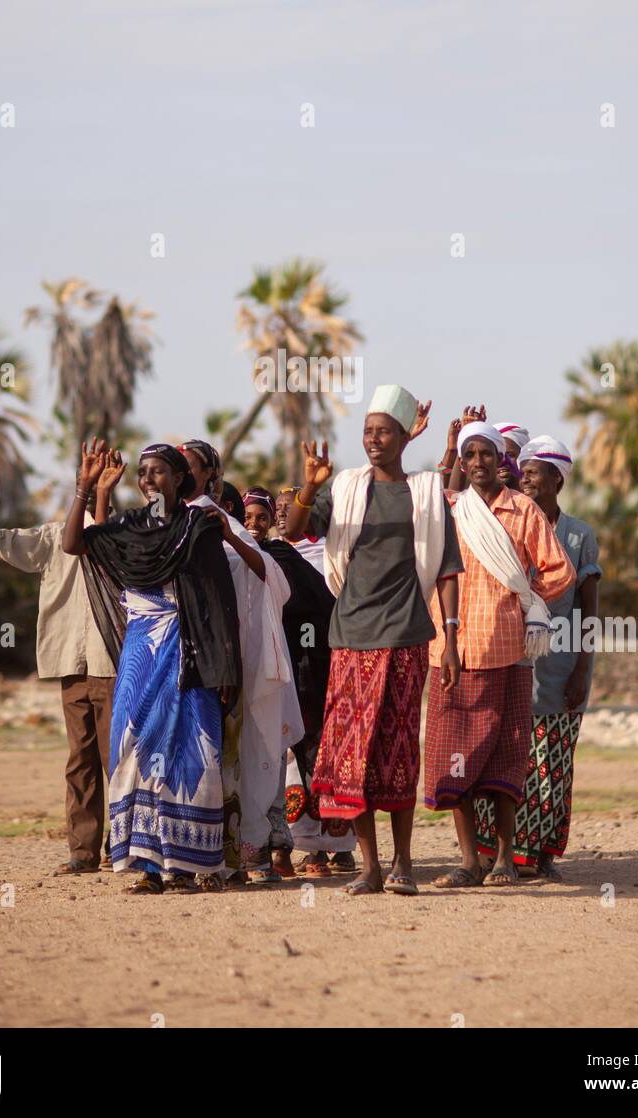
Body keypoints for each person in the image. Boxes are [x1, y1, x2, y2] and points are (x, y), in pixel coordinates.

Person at [284, 384, 462, 897]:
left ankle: (404, 863)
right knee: (351, 756)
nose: (373, 440)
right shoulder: (345, 488)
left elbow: (448, 571)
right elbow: (294, 531)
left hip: (407, 637)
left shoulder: (426, 494)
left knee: (399, 751)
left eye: (384, 432)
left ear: (405, 437)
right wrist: (307, 485)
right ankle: (370, 867)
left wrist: (449, 639)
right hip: (351, 637)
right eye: (367, 431)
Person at [61, 439, 242, 895]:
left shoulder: (197, 527)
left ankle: (182, 867)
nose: (147, 479)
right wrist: (84, 487)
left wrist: (225, 669)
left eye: (158, 471)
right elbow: (72, 544)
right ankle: (145, 864)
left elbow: (218, 602)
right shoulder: (128, 527)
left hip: (189, 655)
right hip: (140, 655)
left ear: (180, 479)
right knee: (132, 747)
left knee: (189, 751)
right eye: (143, 472)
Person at [0, 471, 117, 878]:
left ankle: (126, 845)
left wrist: (99, 491)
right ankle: (83, 851)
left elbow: (99, 533)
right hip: (70, 664)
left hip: (112, 664)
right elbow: (2, 540)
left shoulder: (118, 538)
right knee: (80, 761)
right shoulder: (51, 539)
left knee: (115, 758)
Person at [424, 420, 574, 888]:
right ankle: (469, 861)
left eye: (486, 454)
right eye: (469, 456)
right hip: (449, 652)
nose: (478, 463)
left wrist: (526, 600)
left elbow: (559, 571)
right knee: (455, 756)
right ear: (463, 464)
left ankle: (505, 858)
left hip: (508, 652)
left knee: (507, 755)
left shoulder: (524, 510)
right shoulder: (450, 510)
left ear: (498, 459)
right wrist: (445, 449)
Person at [475, 436, 601, 879]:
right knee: (511, 758)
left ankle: (542, 853)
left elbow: (588, 608)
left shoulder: (579, 535)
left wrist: (582, 668)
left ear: (557, 479)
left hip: (561, 662)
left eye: (534, 470)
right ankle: (497, 852)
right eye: (522, 467)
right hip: (512, 657)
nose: (524, 474)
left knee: (554, 763)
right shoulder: (510, 524)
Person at [181, 441, 303, 885]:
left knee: (234, 760)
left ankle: (236, 858)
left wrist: (232, 536)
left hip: (225, 665)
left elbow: (272, 582)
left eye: (188, 467)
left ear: (210, 475)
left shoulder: (222, 526)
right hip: (175, 662)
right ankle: (182, 858)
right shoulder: (166, 524)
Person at [243, 486, 356, 879]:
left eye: (293, 508)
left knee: (325, 752)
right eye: (282, 509)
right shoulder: (269, 555)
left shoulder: (333, 552)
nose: (282, 516)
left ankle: (333, 845)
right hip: (283, 665)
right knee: (288, 756)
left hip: (324, 663)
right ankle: (299, 846)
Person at [276, 485, 326, 572]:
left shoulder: (327, 551)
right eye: (277, 509)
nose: (281, 513)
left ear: (304, 513)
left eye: (289, 508)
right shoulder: (270, 551)